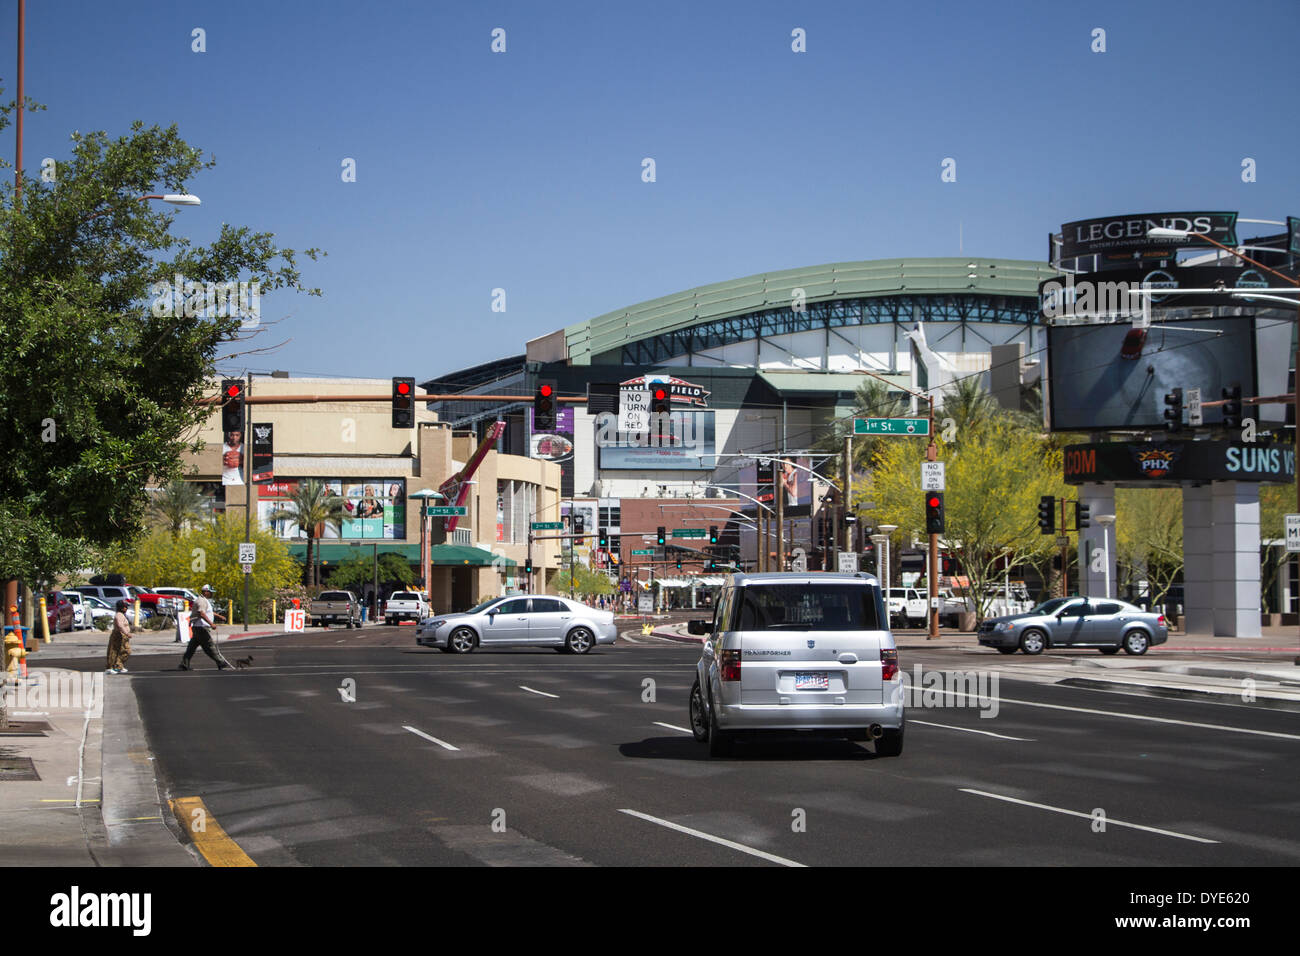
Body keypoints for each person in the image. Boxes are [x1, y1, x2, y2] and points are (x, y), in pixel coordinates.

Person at [179, 584, 232, 671]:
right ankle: (220, 662)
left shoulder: (205, 600)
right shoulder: (201, 601)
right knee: (209, 646)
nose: (212, 594)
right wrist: (211, 624)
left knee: (191, 647)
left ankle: (184, 664)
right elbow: (201, 613)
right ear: (206, 592)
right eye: (210, 592)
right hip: (201, 627)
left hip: (198, 627)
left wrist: (219, 616)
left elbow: (208, 612)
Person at [106, 600, 132, 674]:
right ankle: (110, 668)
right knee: (114, 651)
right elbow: (120, 625)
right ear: (121, 608)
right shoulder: (119, 615)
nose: (126, 608)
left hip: (122, 636)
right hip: (118, 635)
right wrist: (127, 633)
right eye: (125, 607)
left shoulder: (122, 615)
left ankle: (118, 666)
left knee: (125, 651)